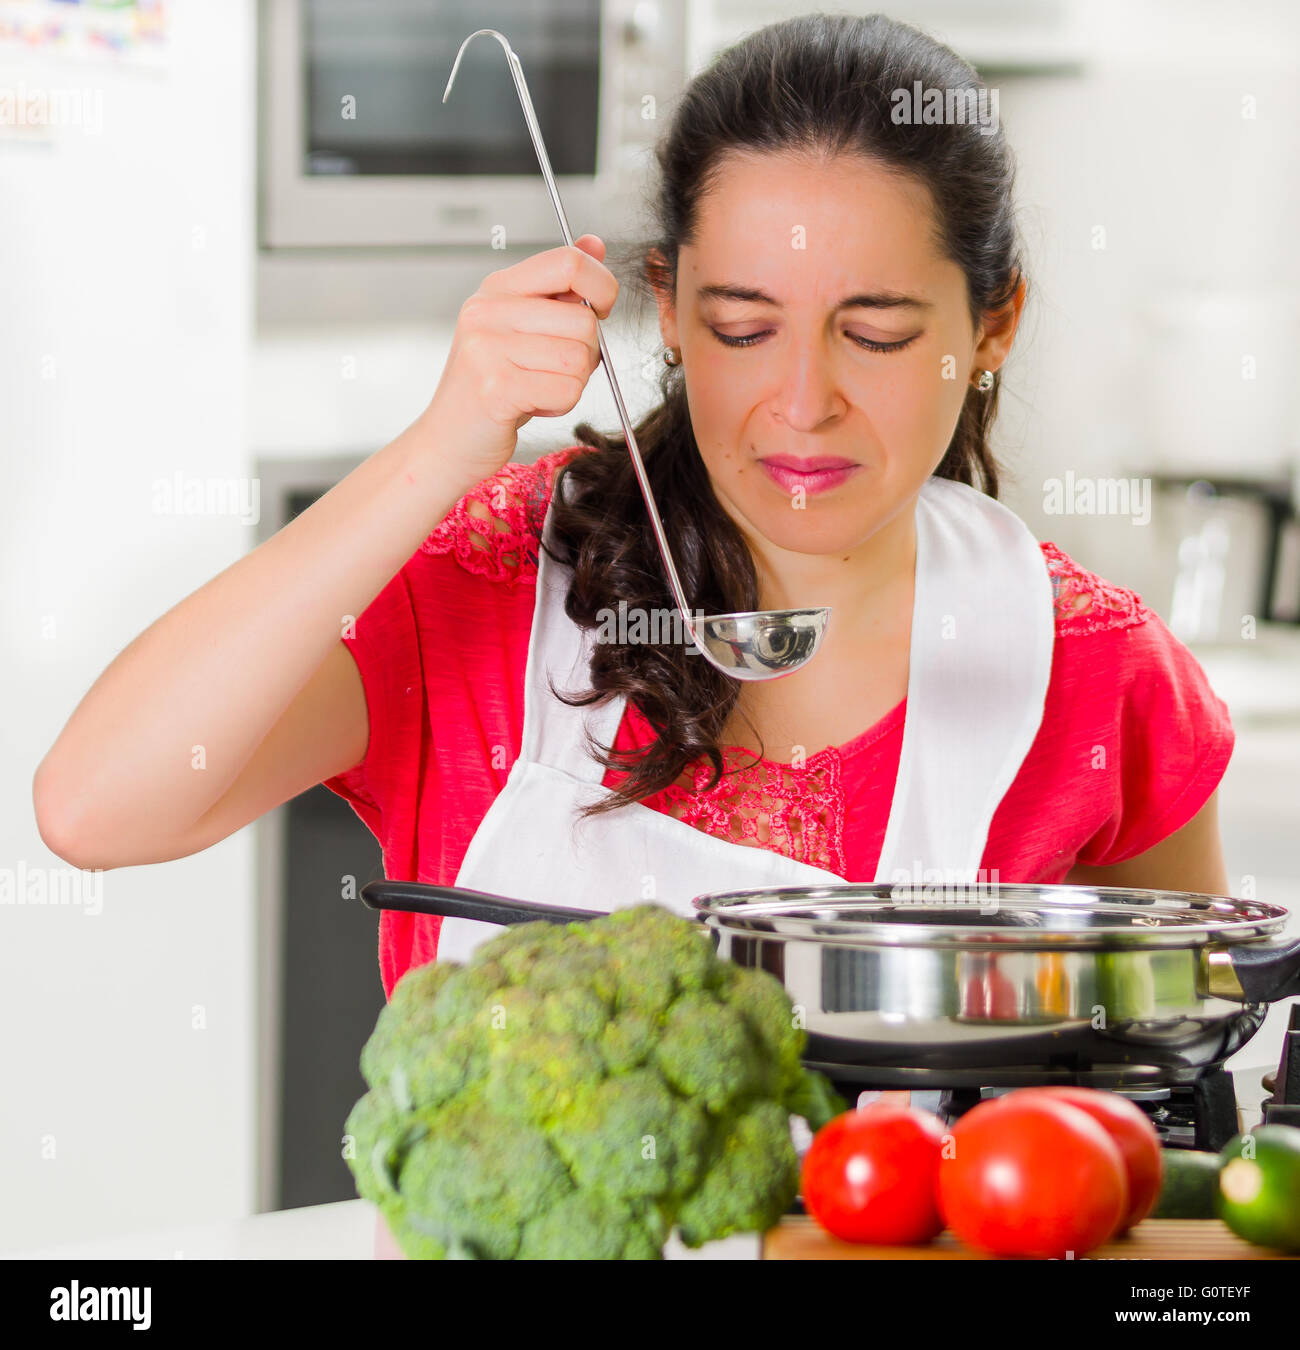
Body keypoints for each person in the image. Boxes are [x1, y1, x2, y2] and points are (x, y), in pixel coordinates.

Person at [34, 13, 1233, 1000]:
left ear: (991, 324)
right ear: (665, 308)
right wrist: (439, 446)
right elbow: (96, 810)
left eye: (873, 332)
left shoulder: (1096, 674)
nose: (800, 402)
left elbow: (1169, 1106)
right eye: (741, 326)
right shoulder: (502, 575)